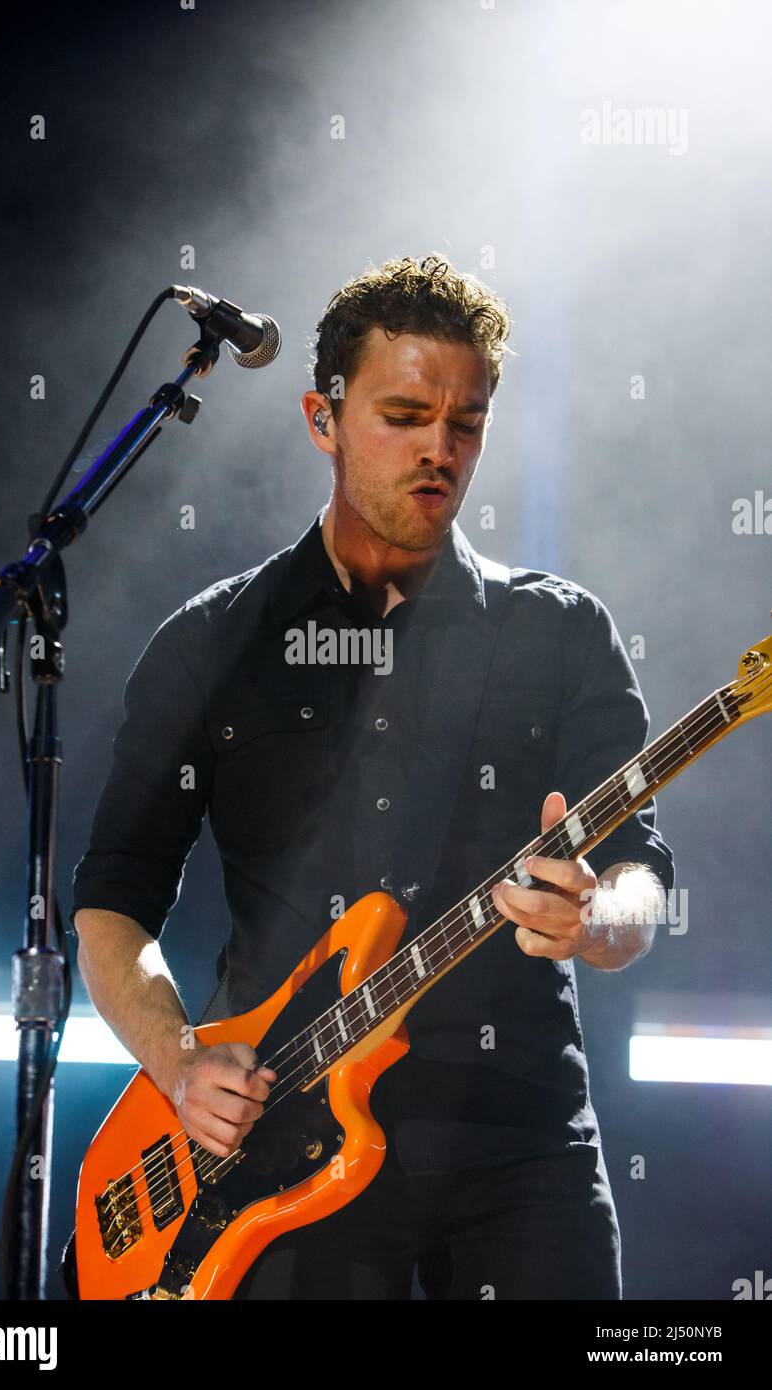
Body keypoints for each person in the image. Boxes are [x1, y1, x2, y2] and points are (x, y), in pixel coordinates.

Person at [71, 254, 674, 1300]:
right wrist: (176, 1062)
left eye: (466, 423)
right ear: (322, 416)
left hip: (517, 1148)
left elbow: (636, 873)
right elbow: (113, 901)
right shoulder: (211, 644)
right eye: (403, 415)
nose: (439, 450)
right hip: (272, 1151)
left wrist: (598, 920)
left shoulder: (560, 633)